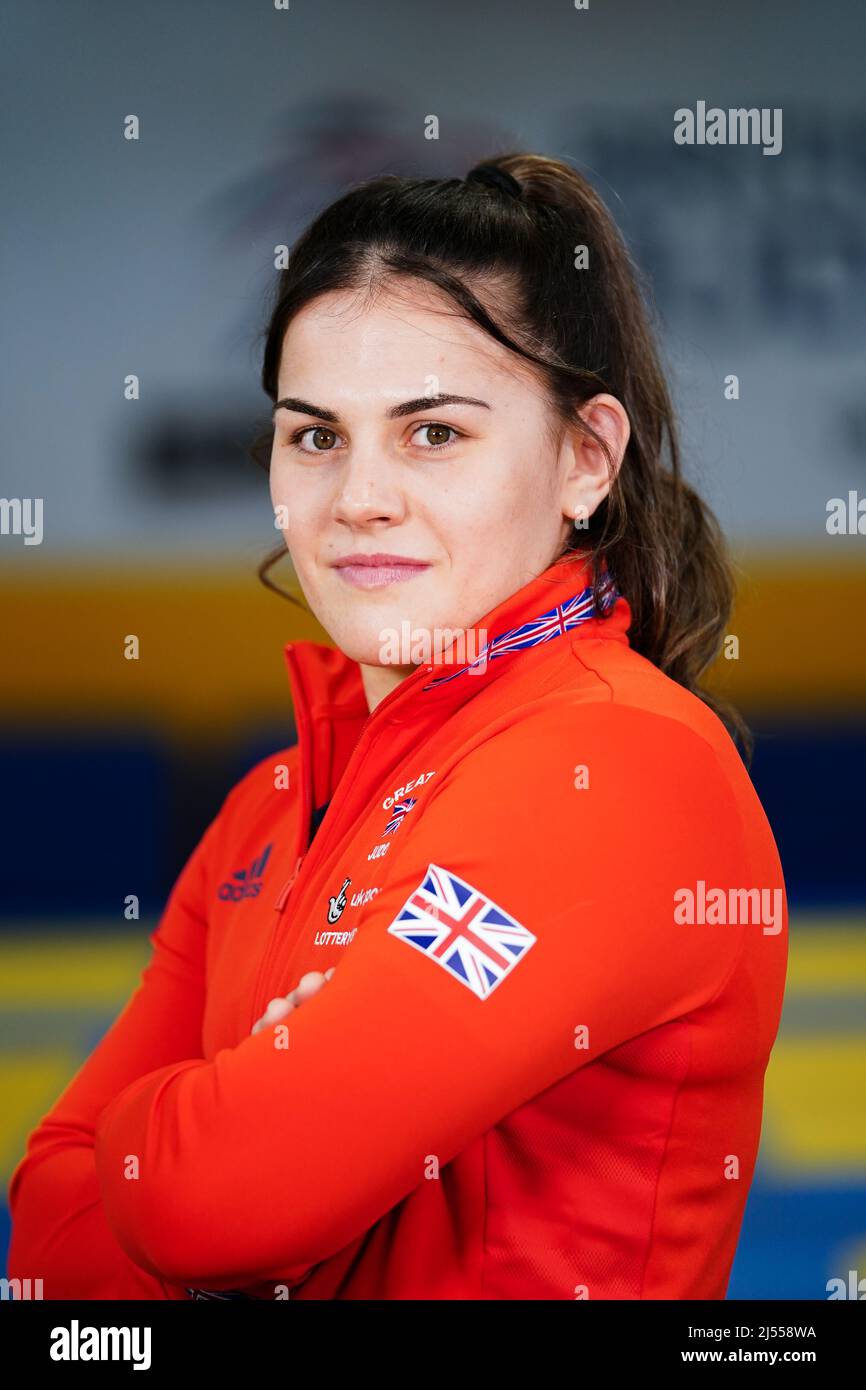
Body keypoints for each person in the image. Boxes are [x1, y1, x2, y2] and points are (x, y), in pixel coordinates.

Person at [7, 153, 787, 1300]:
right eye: (315, 435)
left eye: (432, 434)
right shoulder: (267, 807)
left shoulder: (618, 765)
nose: (358, 496)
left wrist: (184, 1129)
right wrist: (229, 1125)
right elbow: (46, 1240)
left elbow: (209, 1198)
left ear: (584, 458)